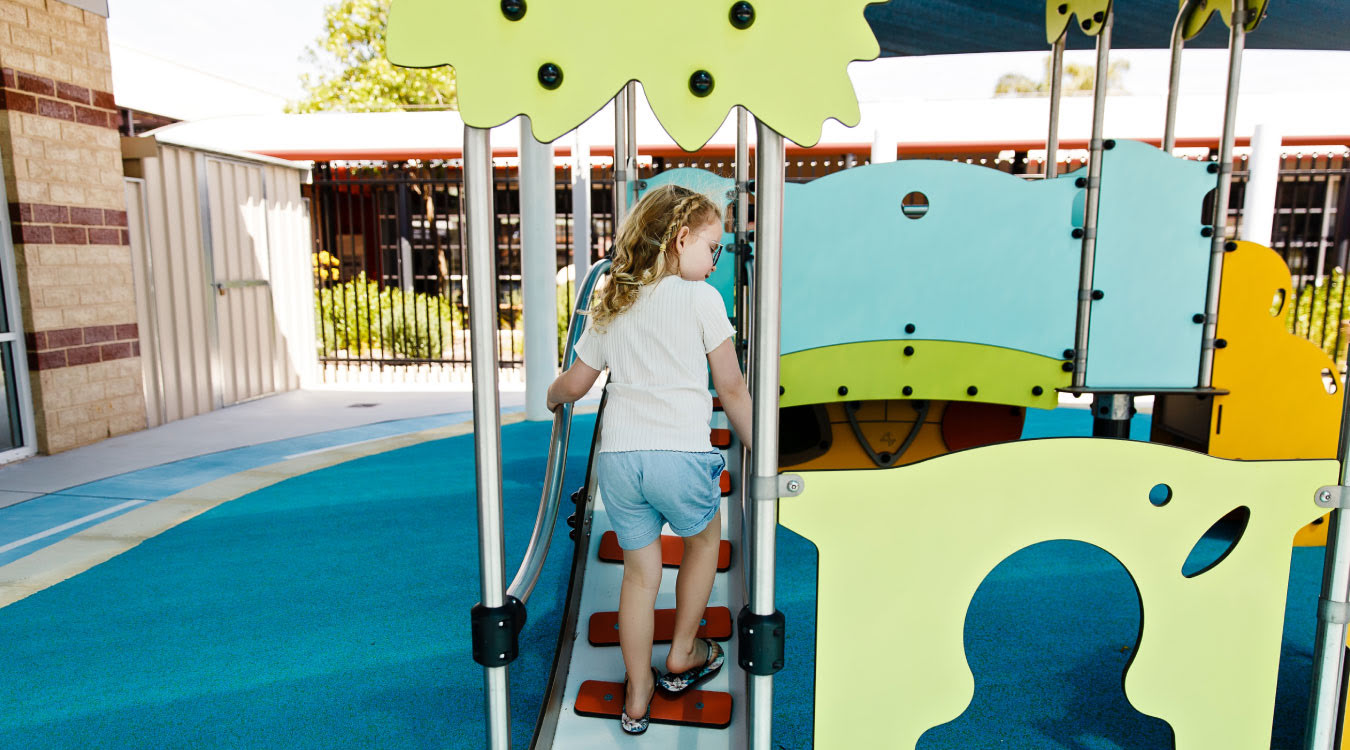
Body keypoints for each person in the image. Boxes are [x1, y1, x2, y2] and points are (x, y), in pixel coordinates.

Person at [546, 184, 752, 736]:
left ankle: (636, 692)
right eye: (713, 248)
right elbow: (731, 389)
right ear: (682, 239)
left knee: (640, 576)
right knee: (704, 541)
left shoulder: (615, 298)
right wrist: (762, 451)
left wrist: (552, 396)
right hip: (679, 457)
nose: (715, 261)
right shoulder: (702, 300)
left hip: (619, 460)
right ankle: (682, 652)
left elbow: (577, 382)